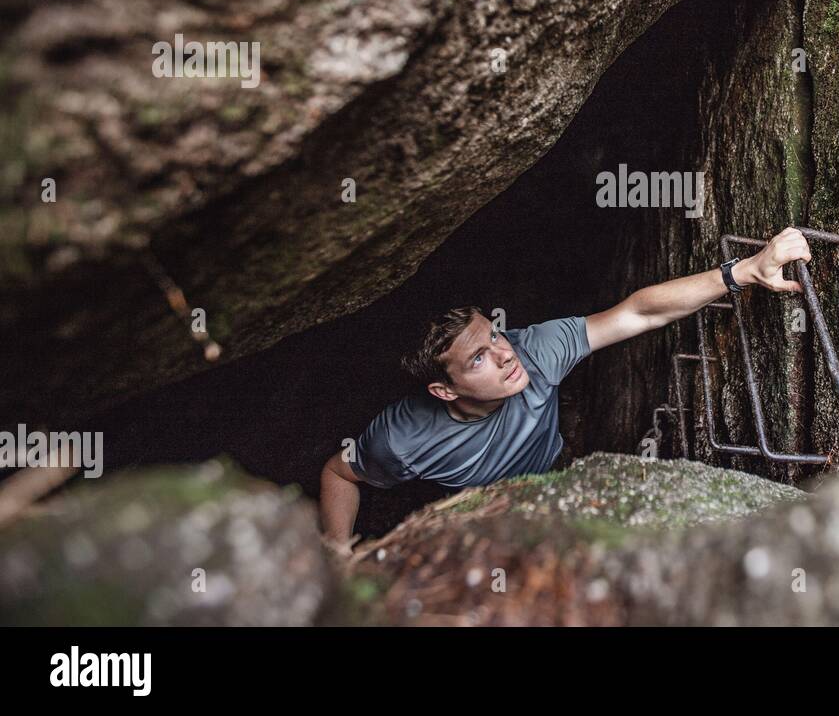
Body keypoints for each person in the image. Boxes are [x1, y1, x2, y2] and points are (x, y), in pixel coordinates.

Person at [318, 227, 812, 554]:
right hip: (486, 516)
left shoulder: (533, 350)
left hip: (555, 475)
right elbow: (340, 474)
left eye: (493, 334)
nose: (504, 353)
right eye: (478, 359)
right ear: (444, 391)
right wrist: (337, 551)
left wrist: (743, 270)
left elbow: (636, 312)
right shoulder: (403, 438)